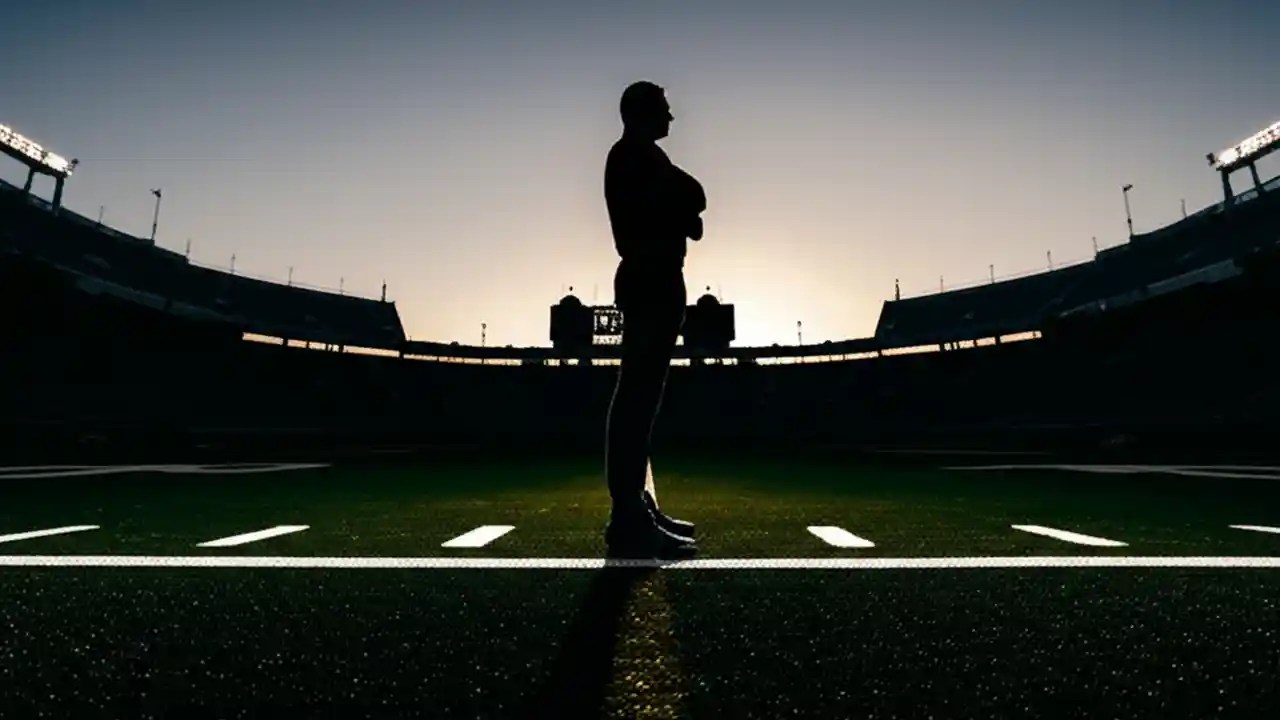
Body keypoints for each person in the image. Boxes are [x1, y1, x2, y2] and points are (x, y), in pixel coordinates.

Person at [603, 80, 705, 559]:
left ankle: (635, 504)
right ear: (643, 113)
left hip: (660, 278)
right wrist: (678, 209)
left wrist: (680, 209)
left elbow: (693, 209)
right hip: (648, 277)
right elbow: (694, 197)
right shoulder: (631, 157)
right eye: (664, 109)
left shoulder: (647, 160)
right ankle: (626, 514)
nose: (672, 117)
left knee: (644, 398)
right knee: (636, 397)